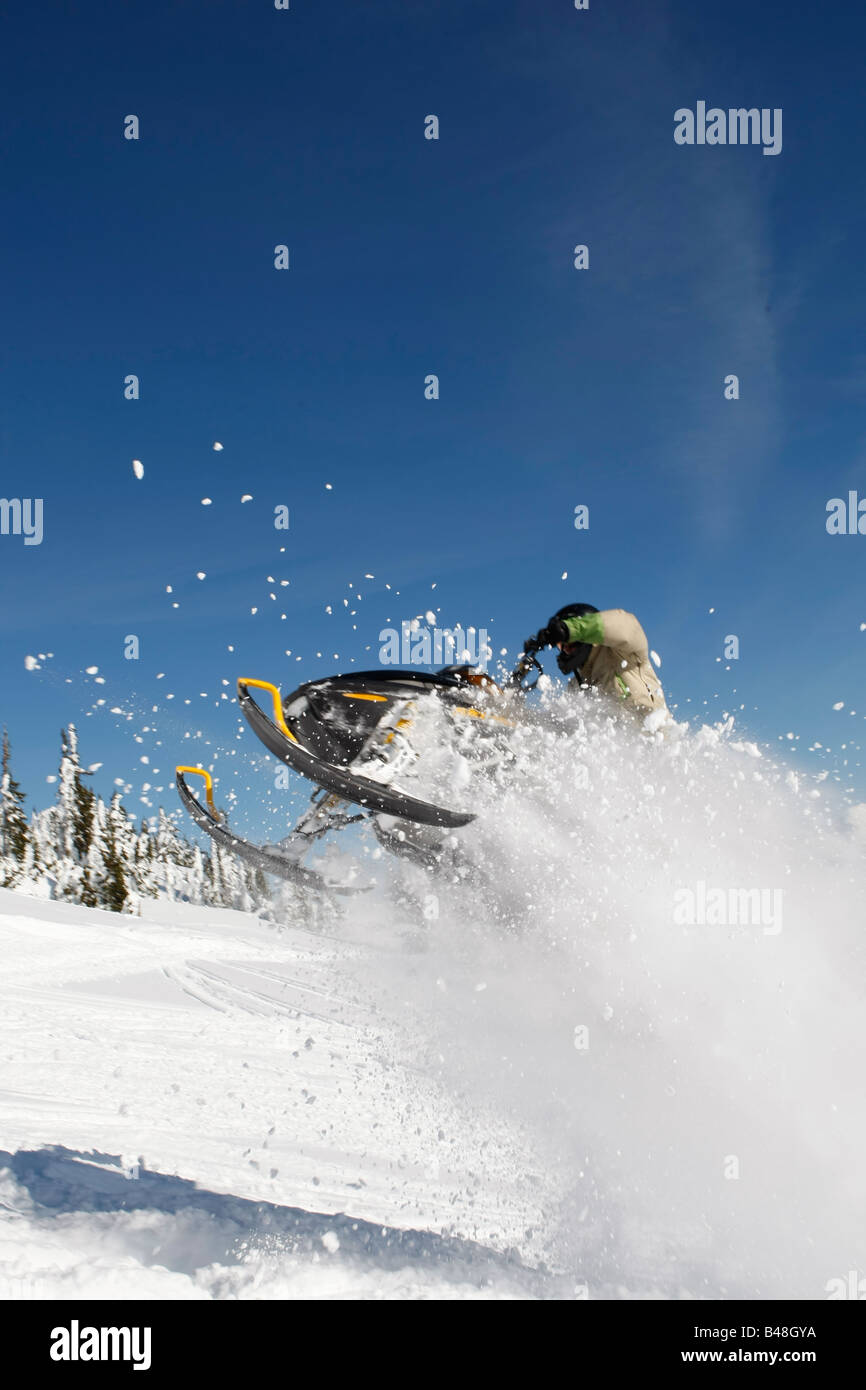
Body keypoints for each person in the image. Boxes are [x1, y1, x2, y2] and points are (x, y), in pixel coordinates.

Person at [525, 603, 668, 716]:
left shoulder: (622, 653)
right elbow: (558, 722)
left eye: (570, 643)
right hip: (617, 751)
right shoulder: (577, 685)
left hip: (655, 745)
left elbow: (625, 625)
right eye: (561, 646)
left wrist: (569, 629)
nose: (565, 650)